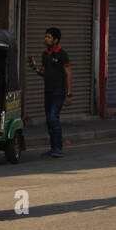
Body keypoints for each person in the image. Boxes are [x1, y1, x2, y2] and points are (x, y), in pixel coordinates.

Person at [29, 27, 71, 157]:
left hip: (59, 91)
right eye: (46, 36)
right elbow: (44, 72)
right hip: (48, 91)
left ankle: (58, 147)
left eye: (49, 37)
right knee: (49, 119)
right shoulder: (45, 54)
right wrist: (35, 68)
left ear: (56, 40)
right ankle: (53, 148)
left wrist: (69, 94)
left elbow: (68, 74)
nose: (46, 39)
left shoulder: (62, 54)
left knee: (53, 117)